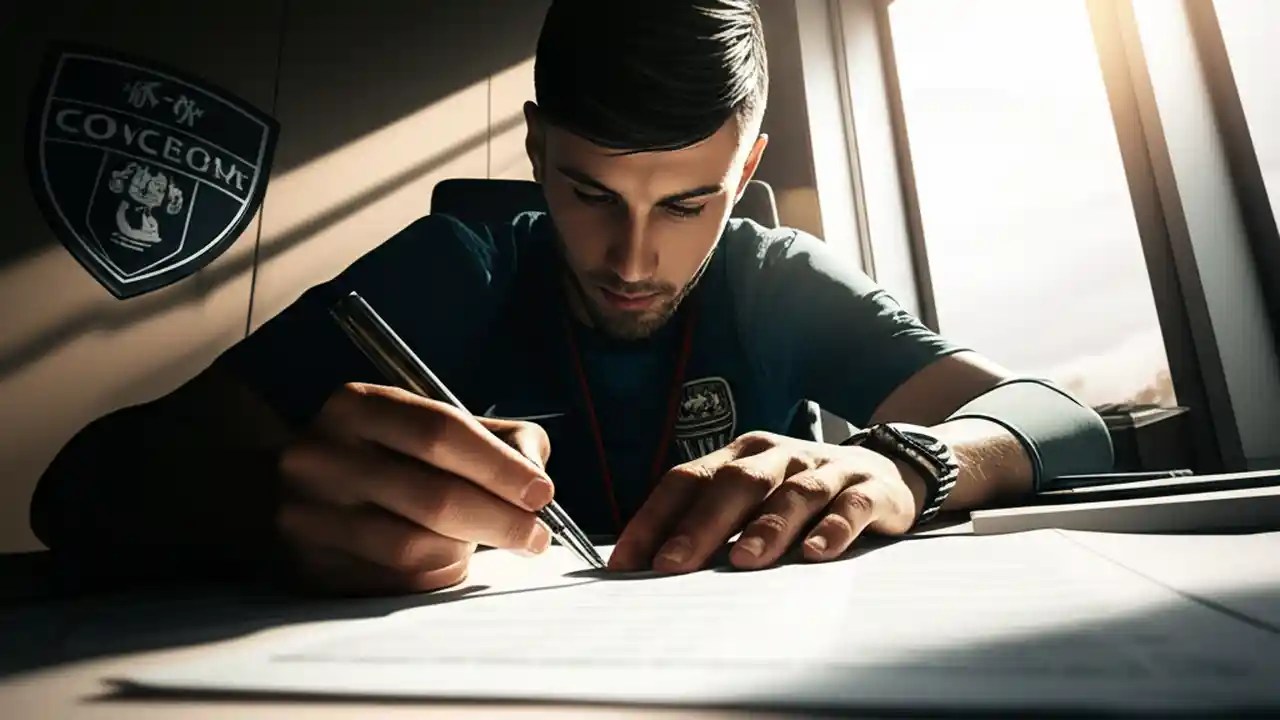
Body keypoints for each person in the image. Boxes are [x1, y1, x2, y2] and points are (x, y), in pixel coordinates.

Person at [30, 0, 1113, 595]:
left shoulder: (777, 280)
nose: (633, 259)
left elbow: (1063, 422)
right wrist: (271, 507)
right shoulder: (456, 266)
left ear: (745, 176)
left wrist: (899, 463)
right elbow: (79, 490)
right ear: (536, 148)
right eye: (589, 192)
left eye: (688, 204)